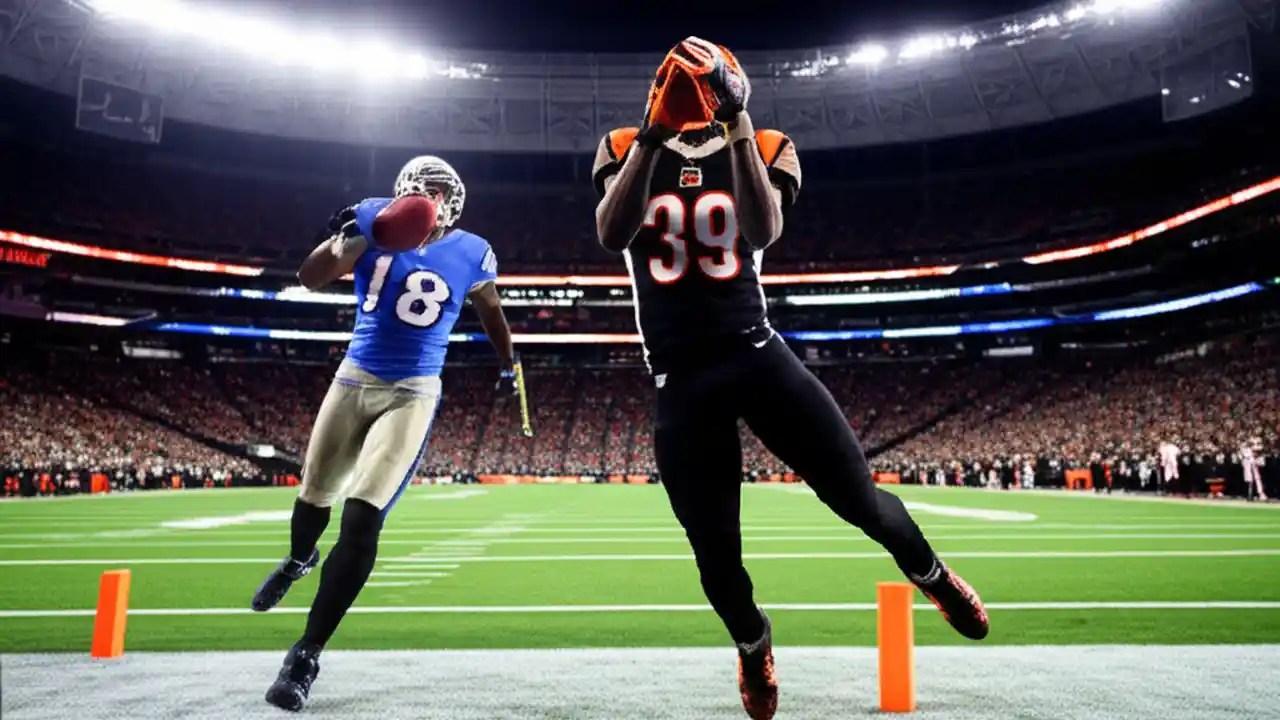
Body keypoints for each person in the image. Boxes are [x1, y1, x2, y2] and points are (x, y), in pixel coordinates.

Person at [591, 37, 988, 720]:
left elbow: (763, 228)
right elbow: (611, 233)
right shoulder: (624, 144)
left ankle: (931, 574)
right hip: (681, 379)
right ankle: (753, 643)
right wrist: (653, 138)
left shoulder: (769, 143)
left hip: (757, 356)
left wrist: (737, 123)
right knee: (714, 551)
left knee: (859, 500)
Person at [250, 156, 518, 712]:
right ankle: (299, 559)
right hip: (354, 377)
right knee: (313, 497)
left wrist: (508, 359)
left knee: (362, 515)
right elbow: (309, 277)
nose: (434, 199)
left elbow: (490, 307)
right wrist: (346, 238)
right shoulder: (373, 219)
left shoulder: (473, 250)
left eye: (443, 191)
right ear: (404, 192)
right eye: (426, 190)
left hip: (413, 390)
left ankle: (305, 654)